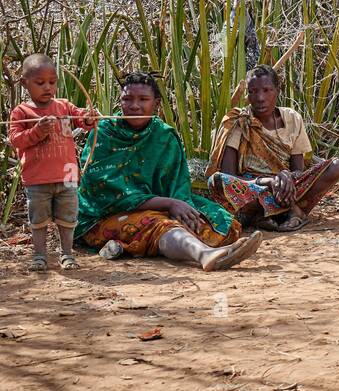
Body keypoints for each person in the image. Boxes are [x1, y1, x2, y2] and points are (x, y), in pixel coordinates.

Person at [76, 73, 262, 271]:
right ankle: (204, 254)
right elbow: (103, 191)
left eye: (143, 100)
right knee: (158, 225)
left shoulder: (164, 135)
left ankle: (128, 246)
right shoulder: (104, 132)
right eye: (127, 99)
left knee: (216, 222)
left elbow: (176, 185)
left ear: (156, 103)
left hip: (156, 205)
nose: (134, 106)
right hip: (104, 216)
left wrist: (179, 207)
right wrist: (169, 204)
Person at [207, 65, 339, 231]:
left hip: (286, 186)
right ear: (247, 94)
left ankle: (273, 213)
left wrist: (285, 177)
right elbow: (228, 175)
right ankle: (290, 211)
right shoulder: (239, 121)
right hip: (254, 187)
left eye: (267, 90)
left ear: (278, 91)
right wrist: (268, 182)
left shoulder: (292, 118)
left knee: (338, 166)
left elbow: (298, 170)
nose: (260, 97)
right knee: (216, 181)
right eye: (253, 91)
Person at [8, 54, 99, 270]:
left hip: (67, 173)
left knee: (68, 217)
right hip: (36, 177)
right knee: (38, 219)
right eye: (40, 83)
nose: (47, 87)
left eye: (52, 82)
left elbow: (82, 119)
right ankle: (39, 256)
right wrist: (37, 131)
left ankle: (67, 254)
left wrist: (88, 118)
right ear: (24, 83)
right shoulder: (21, 112)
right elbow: (16, 140)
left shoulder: (63, 106)